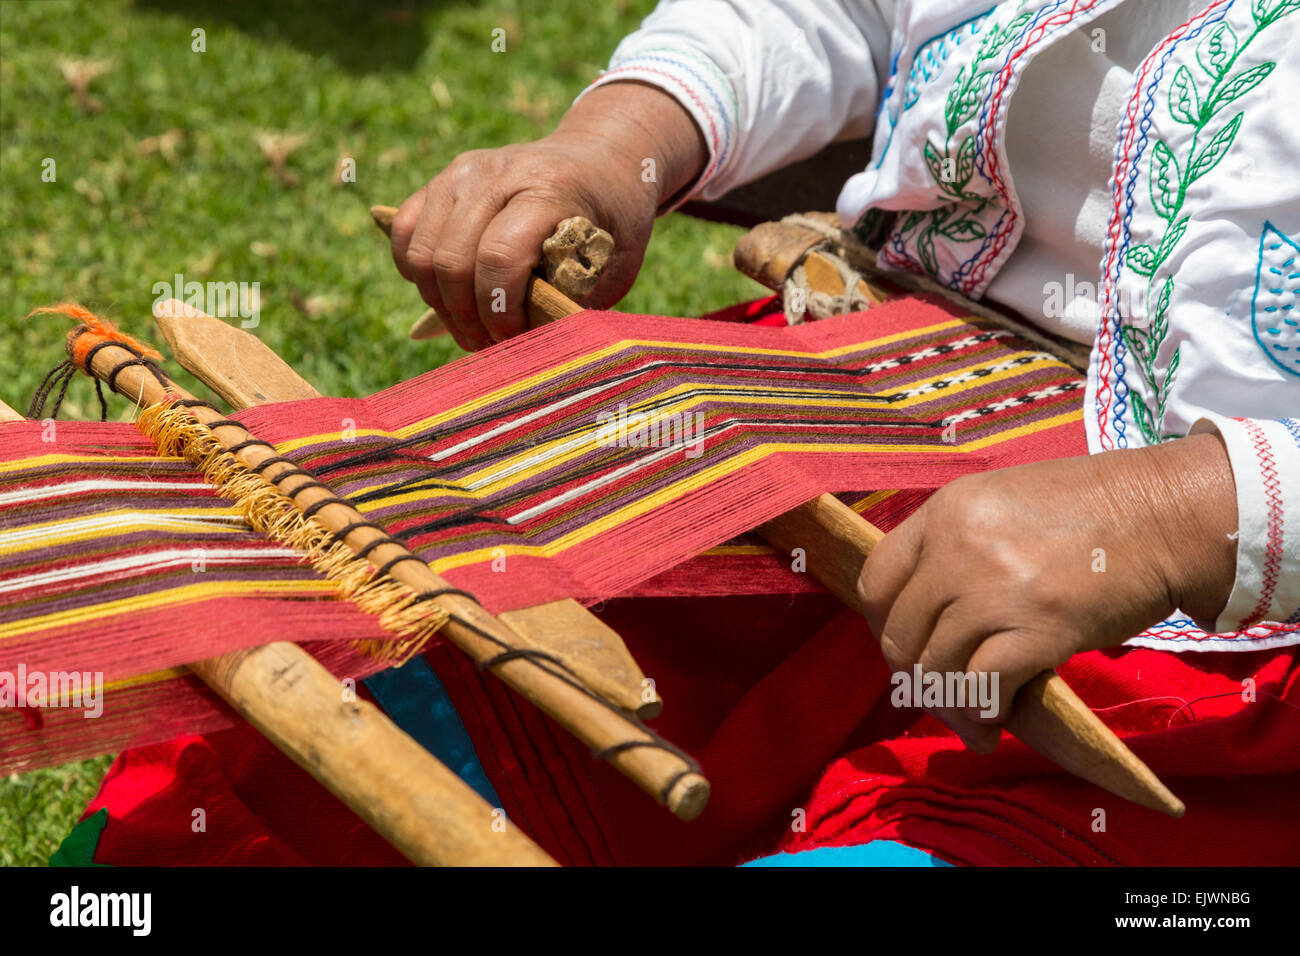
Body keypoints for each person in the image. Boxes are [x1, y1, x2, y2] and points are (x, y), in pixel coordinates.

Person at [64, 0, 1300, 867]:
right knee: (334, 749)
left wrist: (1183, 512)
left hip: (1225, 651)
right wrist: (620, 142)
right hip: (855, 425)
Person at [386, 0, 1299, 750]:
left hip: (1220, 624)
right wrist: (618, 144)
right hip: (873, 389)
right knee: (413, 646)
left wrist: (1174, 519)